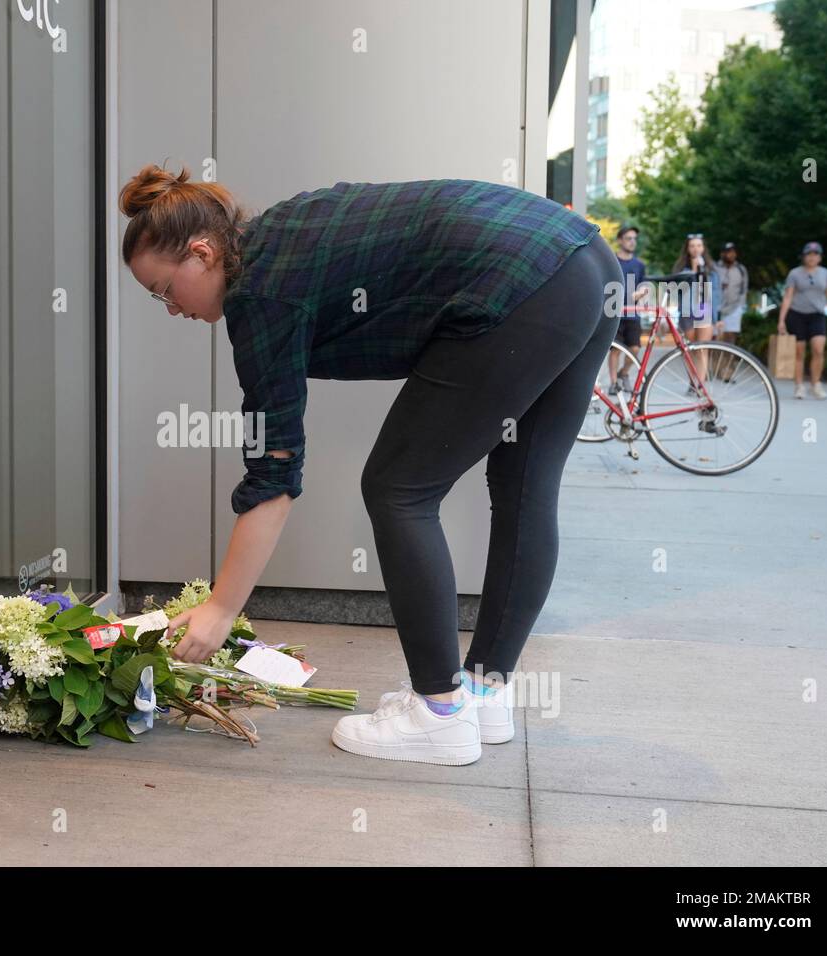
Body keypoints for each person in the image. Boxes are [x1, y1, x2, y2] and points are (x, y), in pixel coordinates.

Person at [120, 165, 621, 767]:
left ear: (201, 254)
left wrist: (221, 608)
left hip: (520, 280)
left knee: (398, 487)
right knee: (525, 485)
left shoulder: (259, 294)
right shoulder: (278, 237)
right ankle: (482, 694)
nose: (167, 308)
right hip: (584, 261)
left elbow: (274, 472)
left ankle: (438, 711)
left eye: (162, 289)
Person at [778, 241, 827, 399]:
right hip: (797, 314)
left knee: (818, 349)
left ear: (820, 258)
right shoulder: (795, 273)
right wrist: (781, 320)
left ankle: (816, 384)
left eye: (815, 254)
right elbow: (788, 297)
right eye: (809, 254)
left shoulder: (825, 274)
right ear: (804, 257)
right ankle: (799, 386)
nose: (812, 257)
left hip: (817, 314)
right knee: (799, 352)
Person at [668, 233, 721, 387]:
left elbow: (716, 294)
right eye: (692, 246)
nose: (695, 249)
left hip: (705, 309)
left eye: (699, 245)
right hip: (686, 311)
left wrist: (717, 318)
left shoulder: (711, 270)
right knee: (691, 349)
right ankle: (693, 380)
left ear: (703, 248)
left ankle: (700, 384)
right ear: (687, 249)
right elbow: (673, 291)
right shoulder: (681, 270)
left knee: (703, 348)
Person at [608, 224, 648, 393]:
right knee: (616, 349)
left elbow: (644, 285)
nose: (632, 242)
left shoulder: (639, 265)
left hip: (632, 313)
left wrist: (642, 292)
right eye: (628, 238)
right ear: (620, 240)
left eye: (634, 239)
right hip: (615, 312)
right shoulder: (612, 261)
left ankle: (624, 373)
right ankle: (614, 383)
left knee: (635, 348)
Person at [712, 241, 748, 345]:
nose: (731, 254)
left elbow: (744, 289)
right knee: (715, 337)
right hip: (716, 309)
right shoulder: (714, 268)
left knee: (730, 338)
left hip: (734, 307)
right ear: (722, 254)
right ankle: (715, 360)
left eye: (733, 252)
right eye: (728, 252)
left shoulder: (740, 269)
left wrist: (741, 306)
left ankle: (729, 360)